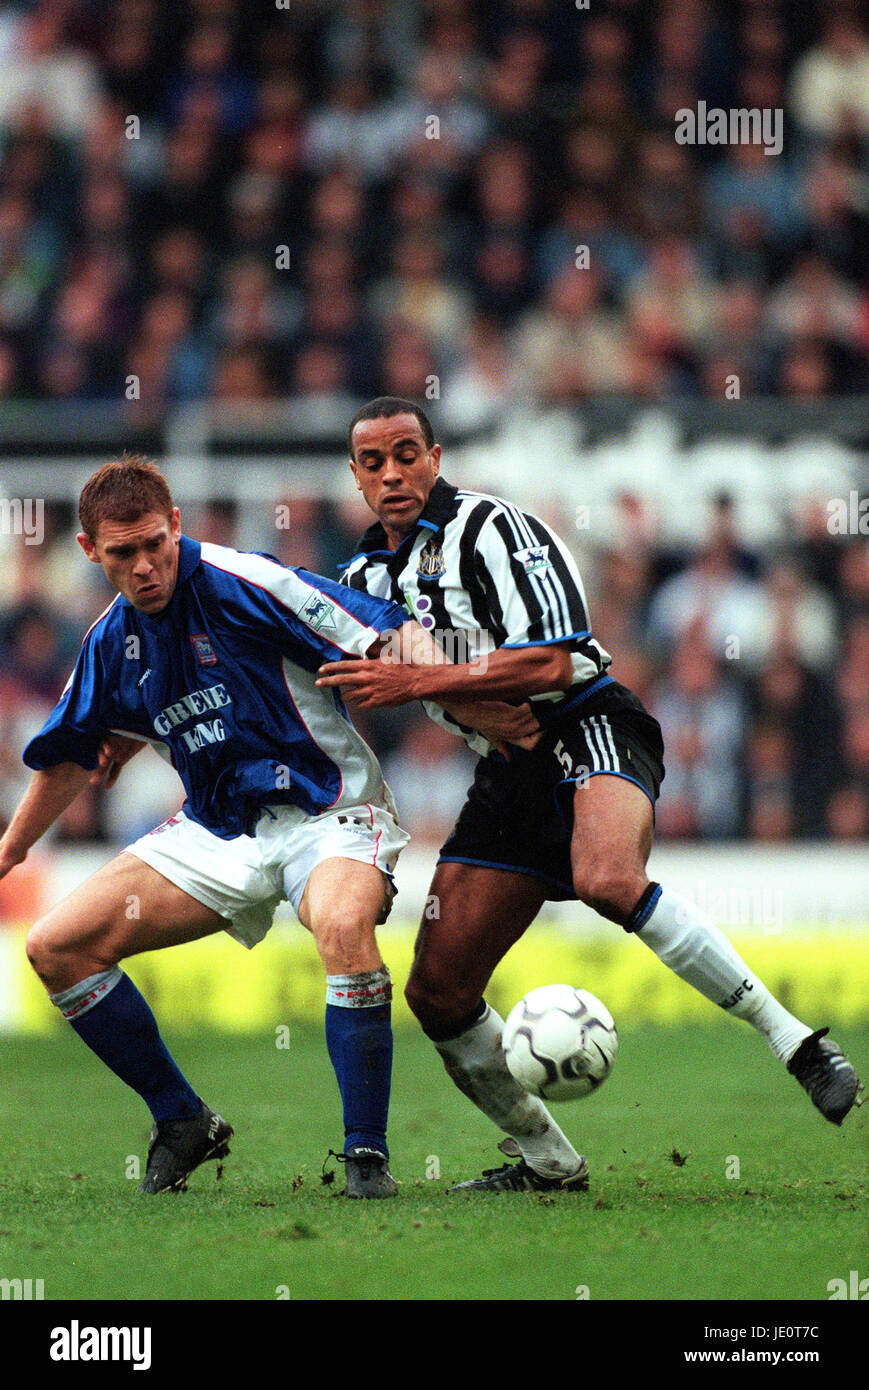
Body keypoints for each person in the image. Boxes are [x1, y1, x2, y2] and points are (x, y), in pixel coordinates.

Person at [316, 396, 862, 1193]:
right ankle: (548, 1163)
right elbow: (348, 665)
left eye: (407, 453)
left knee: (607, 879)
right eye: (374, 461)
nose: (393, 473)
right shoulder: (363, 577)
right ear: (356, 477)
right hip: (508, 767)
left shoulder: (495, 529)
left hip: (586, 722)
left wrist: (424, 680)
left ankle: (799, 1046)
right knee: (437, 990)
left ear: (435, 457)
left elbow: (553, 659)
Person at [0, 454, 414, 1199]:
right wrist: (11, 848)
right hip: (218, 831)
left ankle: (364, 1161)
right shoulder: (108, 641)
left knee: (344, 928)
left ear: (176, 527)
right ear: (90, 553)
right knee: (57, 948)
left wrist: (484, 695)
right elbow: (68, 754)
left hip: (330, 813)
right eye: (122, 554)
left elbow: (383, 633)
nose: (145, 567)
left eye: (155, 544)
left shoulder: (246, 580)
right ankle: (182, 1119)